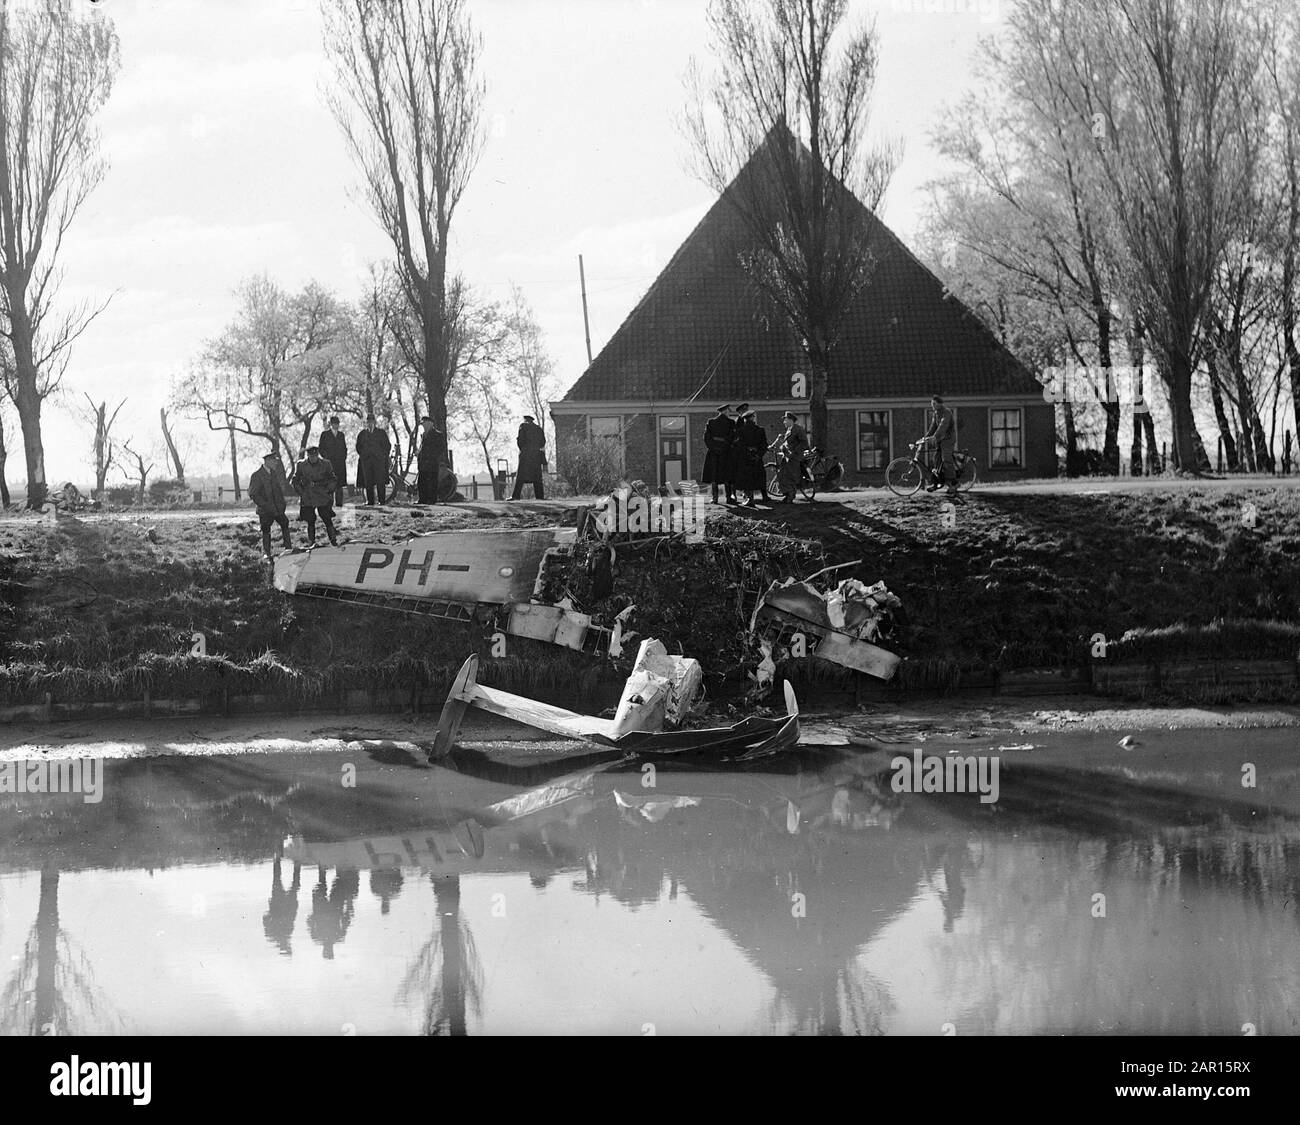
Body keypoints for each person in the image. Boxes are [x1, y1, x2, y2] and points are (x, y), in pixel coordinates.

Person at [292, 445, 340, 546]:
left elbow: (332, 478)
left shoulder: (326, 464)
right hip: (308, 496)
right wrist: (301, 493)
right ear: (308, 455)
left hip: (322, 495)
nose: (313, 458)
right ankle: (311, 542)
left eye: (315, 455)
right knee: (310, 520)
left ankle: (333, 540)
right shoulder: (301, 465)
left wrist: (328, 490)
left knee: (327, 518)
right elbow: (295, 480)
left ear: (318, 455)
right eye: (311, 456)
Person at [249, 451, 292, 560]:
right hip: (265, 510)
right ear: (267, 461)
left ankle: (288, 549)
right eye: (274, 461)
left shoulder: (274, 474)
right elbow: (254, 494)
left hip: (277, 508)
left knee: (285, 523)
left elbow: (278, 491)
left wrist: (282, 504)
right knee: (266, 529)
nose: (276, 463)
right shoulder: (257, 475)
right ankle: (267, 553)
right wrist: (265, 505)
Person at [768, 412, 808, 503]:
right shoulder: (789, 430)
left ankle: (790, 496)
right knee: (783, 475)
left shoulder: (798, 429)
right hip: (787, 456)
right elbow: (789, 442)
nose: (784, 422)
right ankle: (787, 495)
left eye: (785, 420)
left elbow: (804, 443)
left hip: (794, 457)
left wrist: (794, 452)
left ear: (791, 420)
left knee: (791, 476)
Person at [702, 404, 738, 504]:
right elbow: (732, 437)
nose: (729, 413)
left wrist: (713, 448)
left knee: (714, 475)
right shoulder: (731, 422)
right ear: (726, 411)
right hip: (726, 452)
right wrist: (725, 447)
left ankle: (715, 498)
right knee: (727, 475)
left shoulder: (711, 421)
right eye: (728, 411)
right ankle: (728, 498)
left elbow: (706, 437)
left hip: (713, 452)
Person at [923, 393, 957, 494]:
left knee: (946, 458)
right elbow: (933, 426)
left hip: (948, 439)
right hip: (940, 439)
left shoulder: (947, 412)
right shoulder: (936, 413)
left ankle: (953, 484)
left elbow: (943, 426)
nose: (932, 406)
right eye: (931, 404)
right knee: (936, 459)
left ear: (939, 404)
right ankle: (936, 483)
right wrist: (925, 437)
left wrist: (935, 437)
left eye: (934, 404)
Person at [734, 409, 769, 506]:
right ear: (753, 418)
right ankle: (763, 496)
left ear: (745, 419)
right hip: (757, 457)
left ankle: (749, 498)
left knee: (746, 478)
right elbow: (764, 445)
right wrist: (758, 455)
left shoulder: (740, 431)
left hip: (745, 458)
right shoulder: (760, 430)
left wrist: (747, 454)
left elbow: (739, 446)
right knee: (758, 477)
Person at [355, 413, 391, 506]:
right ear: (366, 423)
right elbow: (358, 447)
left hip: (379, 461)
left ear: (375, 422)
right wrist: (363, 455)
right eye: (368, 422)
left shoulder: (381, 433)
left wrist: (382, 456)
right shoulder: (362, 434)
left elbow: (387, 446)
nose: (370, 423)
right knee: (368, 482)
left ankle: (381, 501)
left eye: (371, 421)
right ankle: (370, 501)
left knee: (380, 481)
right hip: (367, 461)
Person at [510, 414, 547, 500]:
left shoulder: (523, 426)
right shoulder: (538, 429)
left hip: (525, 455)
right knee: (537, 477)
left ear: (526, 419)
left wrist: (523, 449)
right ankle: (540, 496)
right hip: (536, 456)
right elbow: (542, 443)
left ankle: (516, 496)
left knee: (520, 477)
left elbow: (520, 441)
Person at [318, 416, 348, 508]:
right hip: (329, 463)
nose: (336, 425)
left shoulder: (341, 435)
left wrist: (343, 457)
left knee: (339, 484)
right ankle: (329, 502)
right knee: (329, 483)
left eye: (337, 424)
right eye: (334, 424)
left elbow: (344, 448)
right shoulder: (325, 434)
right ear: (331, 424)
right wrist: (326, 458)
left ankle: (339, 503)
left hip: (340, 463)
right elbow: (321, 448)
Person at [416, 416, 445, 503]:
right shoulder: (423, 435)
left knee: (432, 481)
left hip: (432, 462)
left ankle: (432, 500)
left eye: (424, 423)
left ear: (430, 423)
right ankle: (422, 499)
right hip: (422, 462)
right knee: (422, 481)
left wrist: (433, 457)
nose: (423, 425)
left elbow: (441, 449)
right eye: (422, 424)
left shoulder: (438, 435)